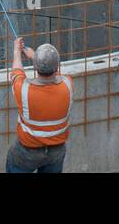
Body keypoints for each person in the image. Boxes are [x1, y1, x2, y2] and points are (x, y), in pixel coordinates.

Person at [6, 37, 72, 173]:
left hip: (27, 150)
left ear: (35, 67)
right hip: (56, 150)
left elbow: (16, 72)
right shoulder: (68, 85)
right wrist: (35, 56)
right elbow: (55, 74)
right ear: (57, 66)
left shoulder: (24, 90)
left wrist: (17, 51)